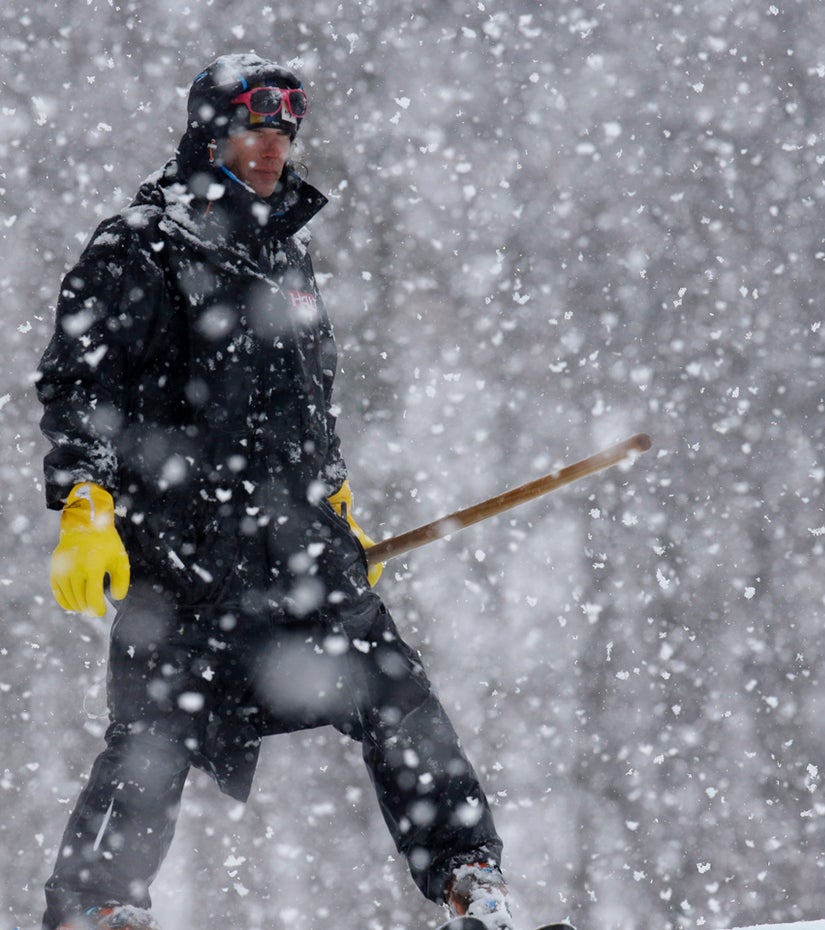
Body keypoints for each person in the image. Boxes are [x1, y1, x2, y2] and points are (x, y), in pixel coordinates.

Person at [36, 54, 514, 930]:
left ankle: (471, 884)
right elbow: (78, 388)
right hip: (183, 556)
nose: (272, 147)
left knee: (396, 693)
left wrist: (334, 500)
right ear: (207, 135)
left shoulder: (285, 255)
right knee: (150, 741)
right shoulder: (138, 246)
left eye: (285, 132)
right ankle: (94, 912)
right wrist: (85, 504)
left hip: (299, 551)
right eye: (253, 128)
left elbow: (306, 404)